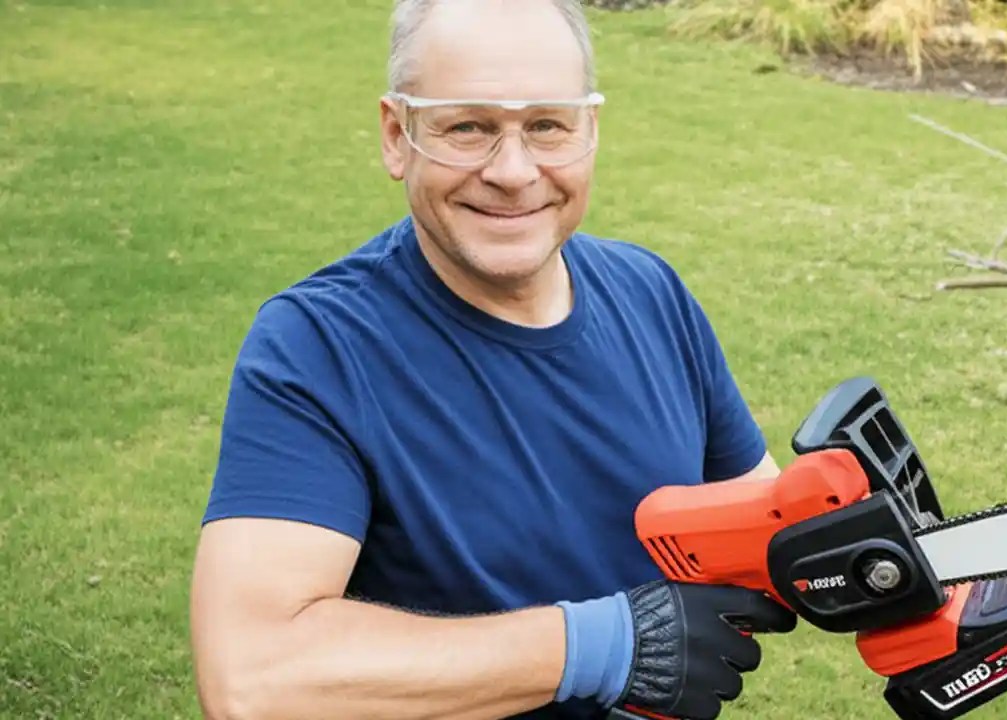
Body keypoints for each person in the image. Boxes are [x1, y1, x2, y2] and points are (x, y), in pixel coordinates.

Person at [188, 0, 797, 718]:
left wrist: (899, 578)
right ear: (397, 134)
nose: (513, 171)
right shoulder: (318, 347)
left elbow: (767, 522)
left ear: (590, 130)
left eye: (547, 125)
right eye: (468, 127)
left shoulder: (650, 293)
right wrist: (595, 647)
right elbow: (254, 677)